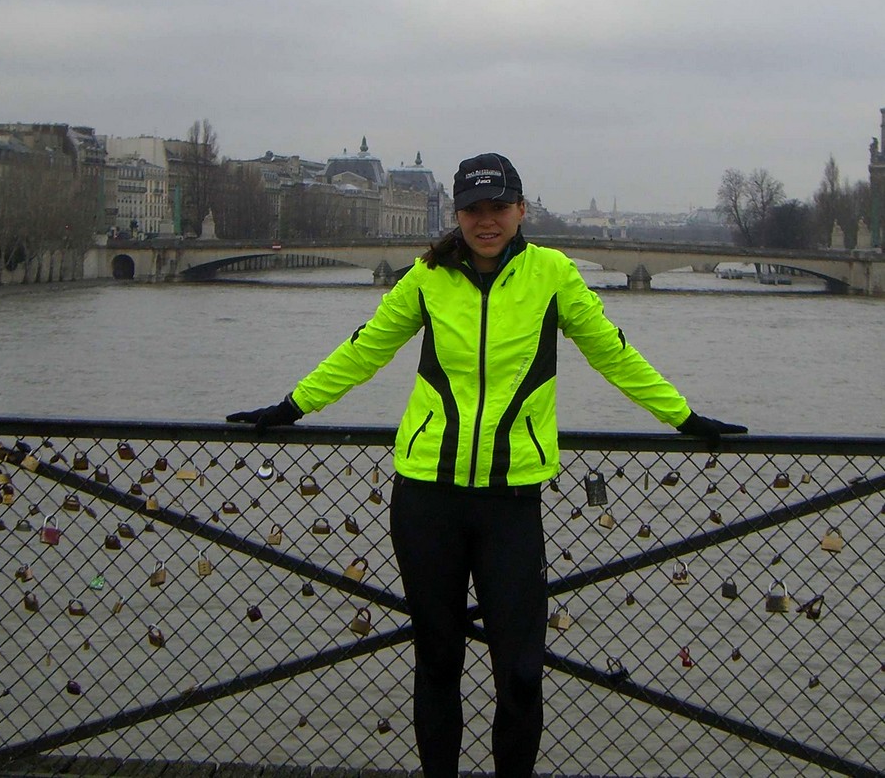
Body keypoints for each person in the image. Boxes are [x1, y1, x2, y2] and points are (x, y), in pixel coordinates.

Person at [227, 152, 747, 778]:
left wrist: (684, 417)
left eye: (498, 207)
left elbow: (614, 354)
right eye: (474, 210)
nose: (487, 221)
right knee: (439, 662)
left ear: (521, 210)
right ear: (459, 215)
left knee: (523, 674)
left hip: (510, 498)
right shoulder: (426, 278)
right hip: (427, 494)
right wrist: (292, 406)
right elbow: (365, 350)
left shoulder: (552, 275)